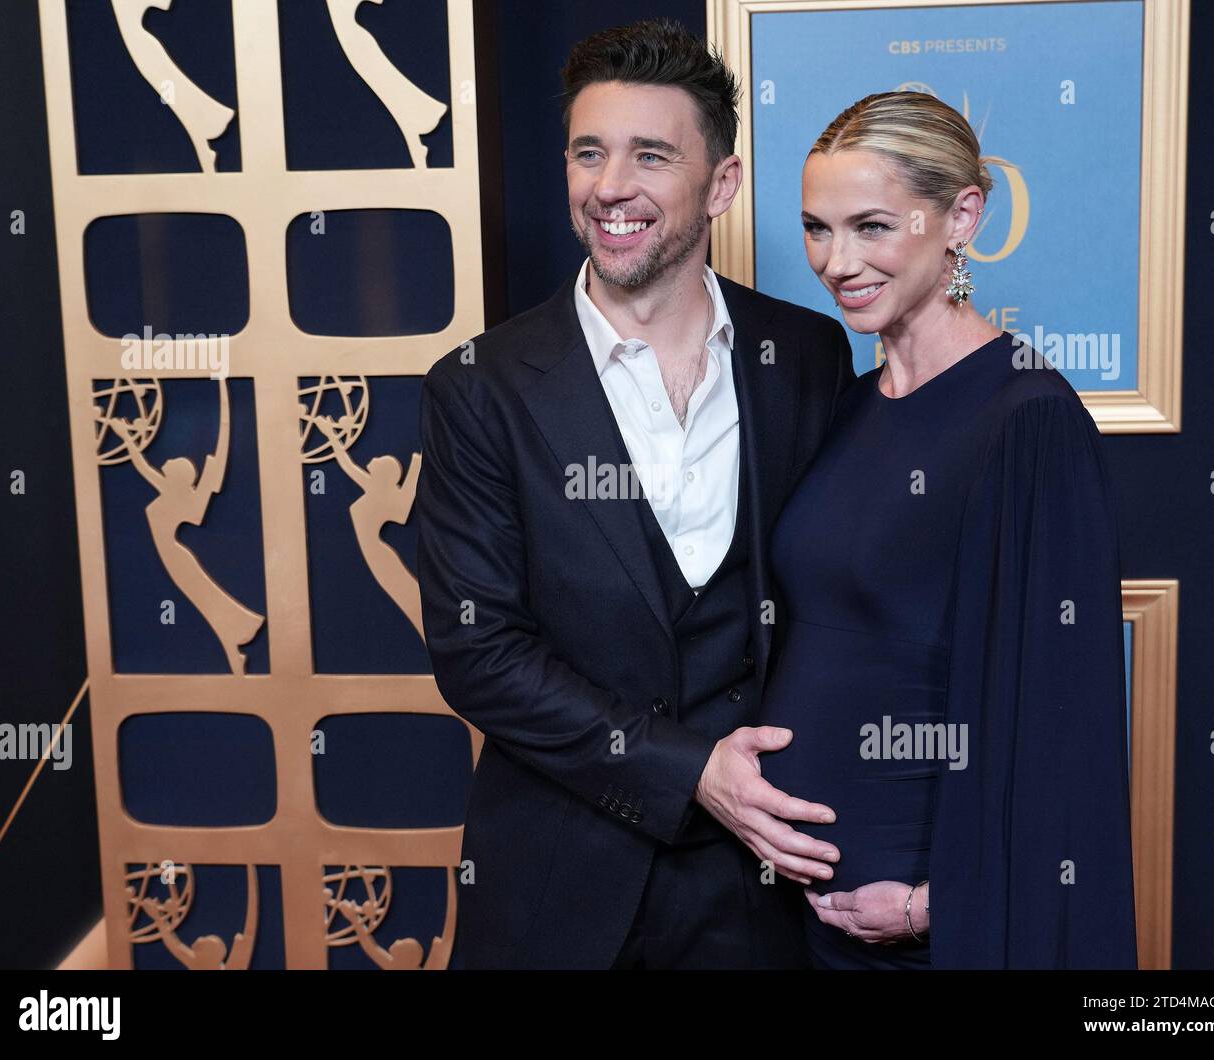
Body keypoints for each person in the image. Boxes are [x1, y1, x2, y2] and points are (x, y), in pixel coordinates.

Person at [415, 18, 853, 969]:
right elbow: (476, 651)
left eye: (650, 155)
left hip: (767, 889)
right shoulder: (480, 385)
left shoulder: (807, 357)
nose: (611, 186)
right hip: (557, 889)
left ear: (723, 184)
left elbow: (846, 603)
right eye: (589, 153)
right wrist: (691, 770)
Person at [756, 90, 1137, 969]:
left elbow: (1061, 718)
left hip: (919, 930)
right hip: (794, 914)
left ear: (961, 216)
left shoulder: (1027, 418)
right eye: (817, 228)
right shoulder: (850, 406)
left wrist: (939, 904)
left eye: (872, 226)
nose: (835, 261)